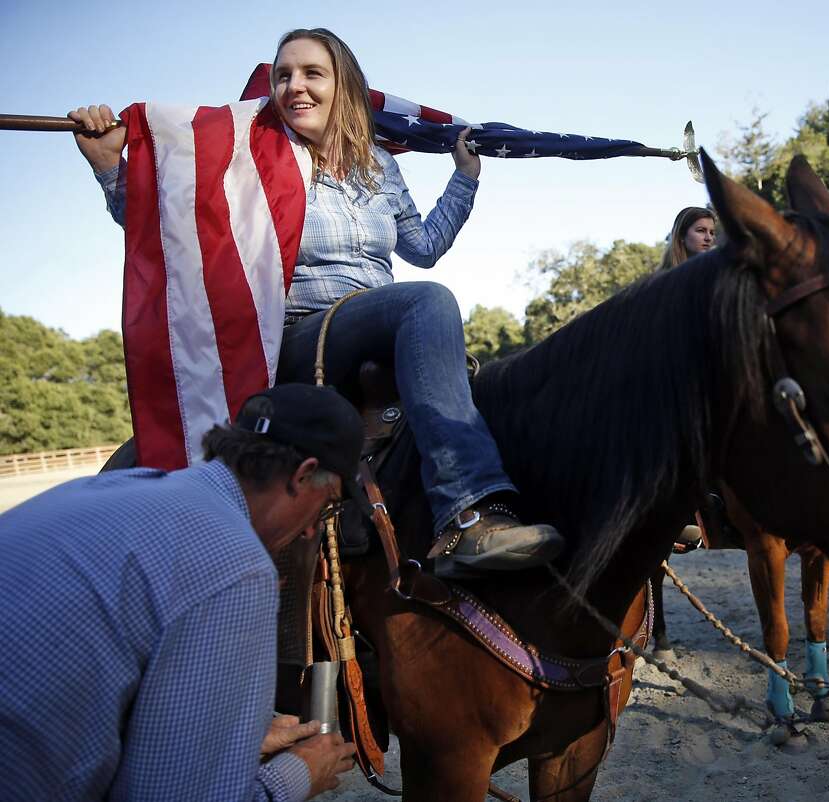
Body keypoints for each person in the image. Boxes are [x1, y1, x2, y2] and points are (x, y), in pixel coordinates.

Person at [67, 27, 562, 579]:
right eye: (283, 75)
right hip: (301, 330)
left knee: (452, 331)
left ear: (343, 86)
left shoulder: (378, 164)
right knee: (428, 303)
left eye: (311, 73)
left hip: (382, 319)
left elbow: (423, 249)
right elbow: (173, 224)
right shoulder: (250, 160)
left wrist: (464, 179)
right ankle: (469, 515)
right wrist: (111, 168)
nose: (294, 86)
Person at [0, 384, 367, 800]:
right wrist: (300, 773)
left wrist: (222, 739)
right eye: (328, 504)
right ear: (303, 475)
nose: (309, 529)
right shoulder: (236, 562)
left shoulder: (106, 490)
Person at [658, 206, 718, 270]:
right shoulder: (662, 278)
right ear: (682, 235)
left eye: (711, 233)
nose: (709, 238)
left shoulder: (718, 274)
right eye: (701, 230)